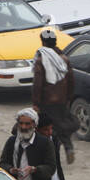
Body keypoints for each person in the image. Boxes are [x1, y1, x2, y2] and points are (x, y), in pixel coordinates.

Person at [31, 28, 76, 163]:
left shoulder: (41, 59)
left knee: (49, 128)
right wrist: (68, 98)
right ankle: (68, 148)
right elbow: (71, 80)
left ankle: (53, 153)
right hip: (62, 100)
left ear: (43, 42)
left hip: (47, 102)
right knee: (61, 124)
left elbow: (37, 84)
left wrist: (36, 103)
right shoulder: (63, 58)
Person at [0, 107, 57, 180]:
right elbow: (2, 163)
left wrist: (34, 169)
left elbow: (51, 168)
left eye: (27, 124)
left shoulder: (45, 143)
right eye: (21, 123)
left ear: (34, 124)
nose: (23, 127)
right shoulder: (12, 141)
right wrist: (10, 170)